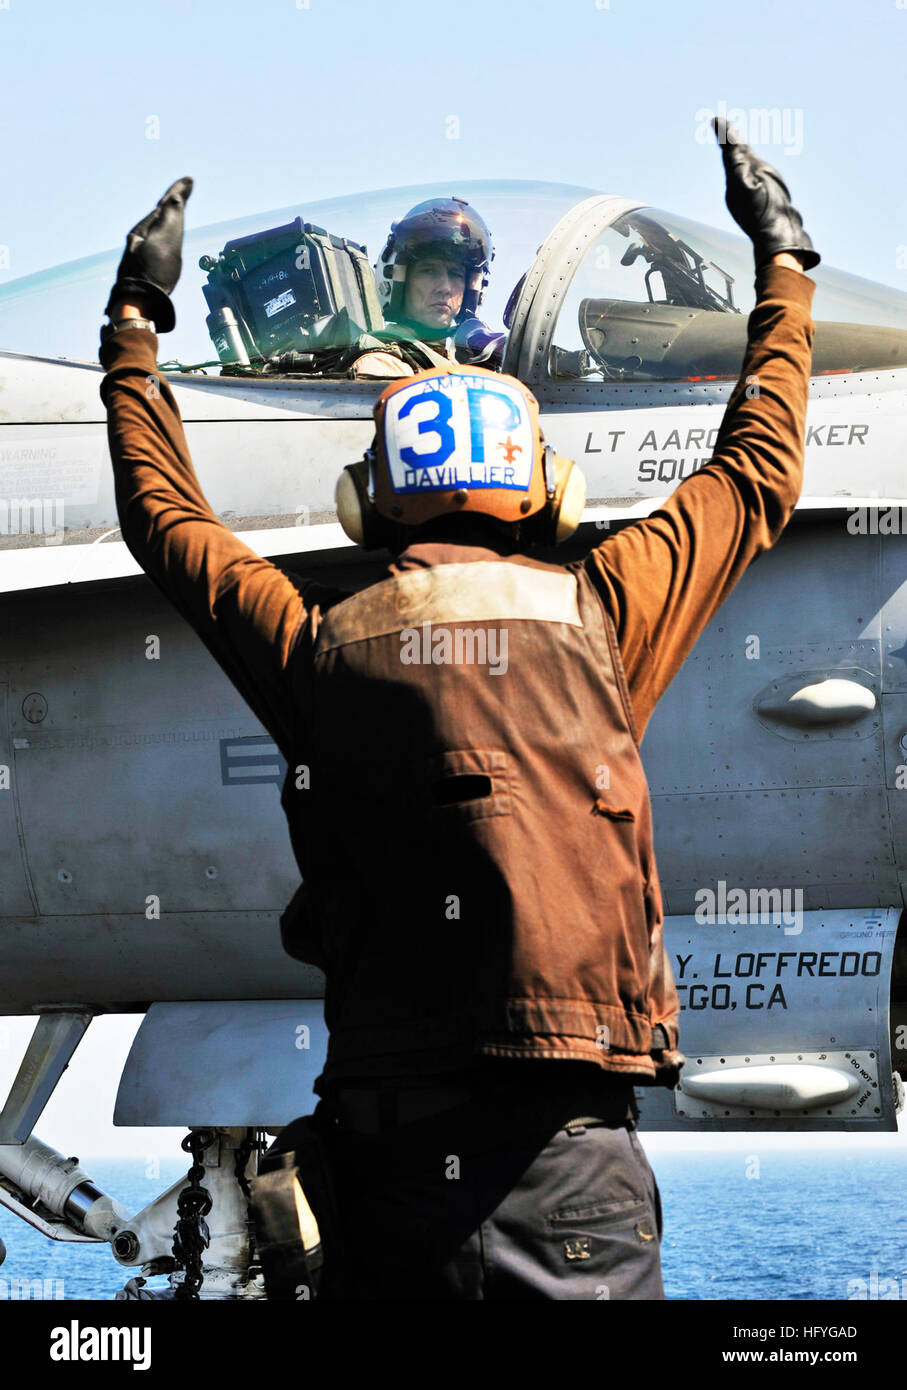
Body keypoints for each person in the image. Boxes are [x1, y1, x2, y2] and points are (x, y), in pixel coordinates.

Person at [98, 116, 818, 1300]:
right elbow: (757, 469)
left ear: (363, 505)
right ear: (547, 493)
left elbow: (166, 521)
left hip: (376, 1181)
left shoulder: (321, 646)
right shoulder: (604, 615)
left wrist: (135, 328)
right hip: (564, 1176)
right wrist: (782, 268)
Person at [374, 195, 508, 368]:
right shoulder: (383, 364)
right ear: (398, 281)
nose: (445, 288)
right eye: (429, 271)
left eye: (455, 274)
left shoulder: (451, 363)